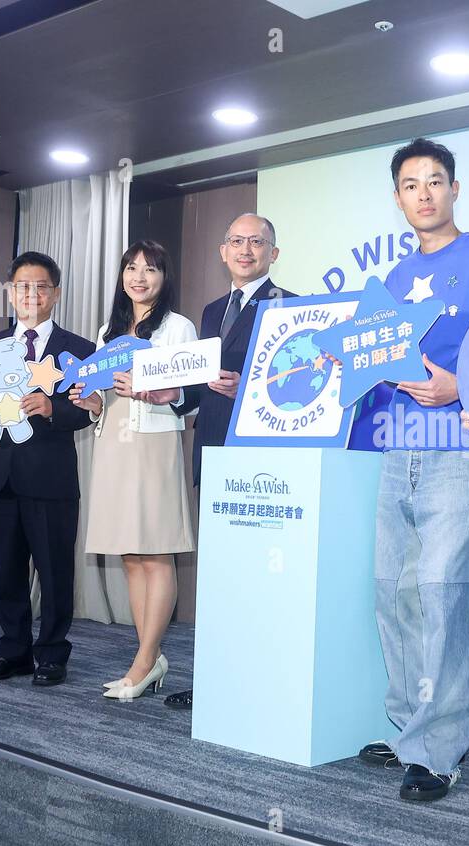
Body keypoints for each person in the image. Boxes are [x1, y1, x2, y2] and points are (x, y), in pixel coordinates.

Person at [354, 138, 469, 802]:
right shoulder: (391, 281)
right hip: (400, 449)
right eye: (410, 185)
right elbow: (376, 367)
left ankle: (439, 750)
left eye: (435, 181)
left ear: (455, 189)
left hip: (465, 451)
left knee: (448, 596)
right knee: (396, 592)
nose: (423, 193)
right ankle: (409, 728)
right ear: (398, 199)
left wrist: (465, 389)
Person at [160, 213, 295, 710]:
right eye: (236, 241)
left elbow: (298, 378)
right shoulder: (213, 308)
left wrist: (253, 388)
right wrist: (172, 396)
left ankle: (260, 679)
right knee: (219, 573)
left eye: (257, 242)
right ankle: (214, 678)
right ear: (223, 251)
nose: (246, 250)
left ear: (273, 254)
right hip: (213, 448)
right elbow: (199, 381)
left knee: (261, 573)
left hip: (261, 458)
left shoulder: (292, 306)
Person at [0, 252, 95, 687]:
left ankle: (52, 654)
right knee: (8, 570)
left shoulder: (79, 349)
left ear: (55, 294)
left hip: (50, 477)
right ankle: (14, 651)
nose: (31, 295)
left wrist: (52, 407)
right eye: (22, 287)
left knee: (54, 571)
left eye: (40, 287)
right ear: (9, 292)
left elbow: (88, 411)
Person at [69, 240, 198, 700]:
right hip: (114, 442)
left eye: (150, 269)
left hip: (155, 438)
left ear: (165, 278)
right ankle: (150, 656)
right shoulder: (108, 329)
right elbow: (99, 397)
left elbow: (190, 390)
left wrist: (160, 391)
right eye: (131, 268)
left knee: (156, 549)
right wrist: (88, 401)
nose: (139, 277)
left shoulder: (178, 328)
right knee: (130, 550)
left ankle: (145, 659)